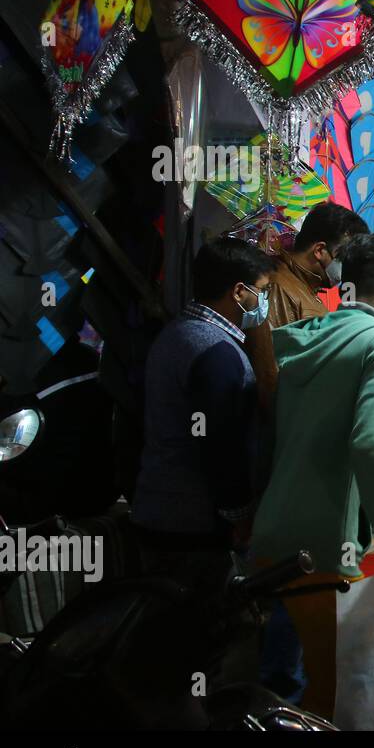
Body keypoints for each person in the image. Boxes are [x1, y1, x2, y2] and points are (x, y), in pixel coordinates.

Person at [249, 234, 374, 719]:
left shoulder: (301, 335)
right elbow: (372, 446)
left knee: (277, 679)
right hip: (323, 545)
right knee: (325, 696)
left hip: (268, 533)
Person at [131, 238, 275, 592]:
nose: (266, 302)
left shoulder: (178, 333)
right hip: (194, 523)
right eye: (263, 291)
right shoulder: (217, 353)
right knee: (198, 628)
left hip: (158, 508)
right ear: (239, 292)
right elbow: (222, 446)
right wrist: (240, 516)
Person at [243, 201, 369, 413]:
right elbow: (270, 374)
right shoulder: (279, 287)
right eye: (345, 258)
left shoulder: (305, 289)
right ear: (320, 250)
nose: (348, 268)